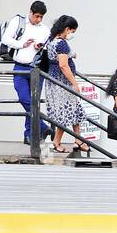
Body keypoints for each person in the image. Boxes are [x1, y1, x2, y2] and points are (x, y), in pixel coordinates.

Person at [2, 0, 51, 144]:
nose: (39, 20)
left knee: (33, 101)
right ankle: (42, 125)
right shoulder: (18, 22)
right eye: (36, 16)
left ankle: (28, 135)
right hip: (21, 66)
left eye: (41, 17)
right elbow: (6, 39)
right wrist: (21, 44)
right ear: (30, 12)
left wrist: (39, 46)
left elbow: (48, 47)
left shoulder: (45, 29)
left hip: (37, 68)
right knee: (24, 98)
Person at [42, 15, 87, 156]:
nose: (71, 35)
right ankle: (56, 143)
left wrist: (71, 55)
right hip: (61, 84)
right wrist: (74, 83)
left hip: (54, 82)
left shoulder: (51, 40)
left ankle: (78, 140)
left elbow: (56, 58)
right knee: (64, 112)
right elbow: (63, 65)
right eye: (72, 31)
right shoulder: (61, 43)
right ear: (67, 29)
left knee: (75, 110)